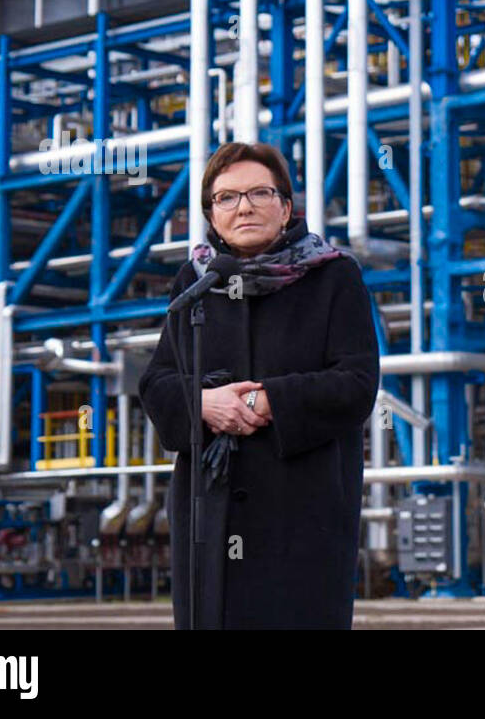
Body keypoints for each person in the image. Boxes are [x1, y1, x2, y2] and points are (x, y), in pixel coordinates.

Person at [138, 141, 380, 629]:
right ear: (211, 213)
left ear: (286, 206)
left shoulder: (333, 276)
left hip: (300, 515)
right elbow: (158, 380)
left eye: (259, 193)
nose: (243, 206)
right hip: (210, 512)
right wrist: (203, 403)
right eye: (226, 198)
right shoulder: (196, 279)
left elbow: (356, 383)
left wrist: (265, 399)